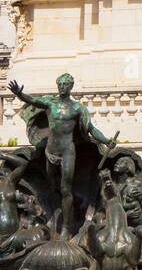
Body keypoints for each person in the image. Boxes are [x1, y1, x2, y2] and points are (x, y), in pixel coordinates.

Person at [4, 75, 114, 237]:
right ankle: (55, 212)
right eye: (60, 84)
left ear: (70, 87)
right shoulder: (50, 104)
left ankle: (66, 228)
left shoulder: (77, 108)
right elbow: (32, 101)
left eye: (65, 84)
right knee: (52, 186)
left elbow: (91, 129)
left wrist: (106, 140)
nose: (62, 87)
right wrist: (19, 94)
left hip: (67, 151)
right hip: (50, 151)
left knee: (65, 189)